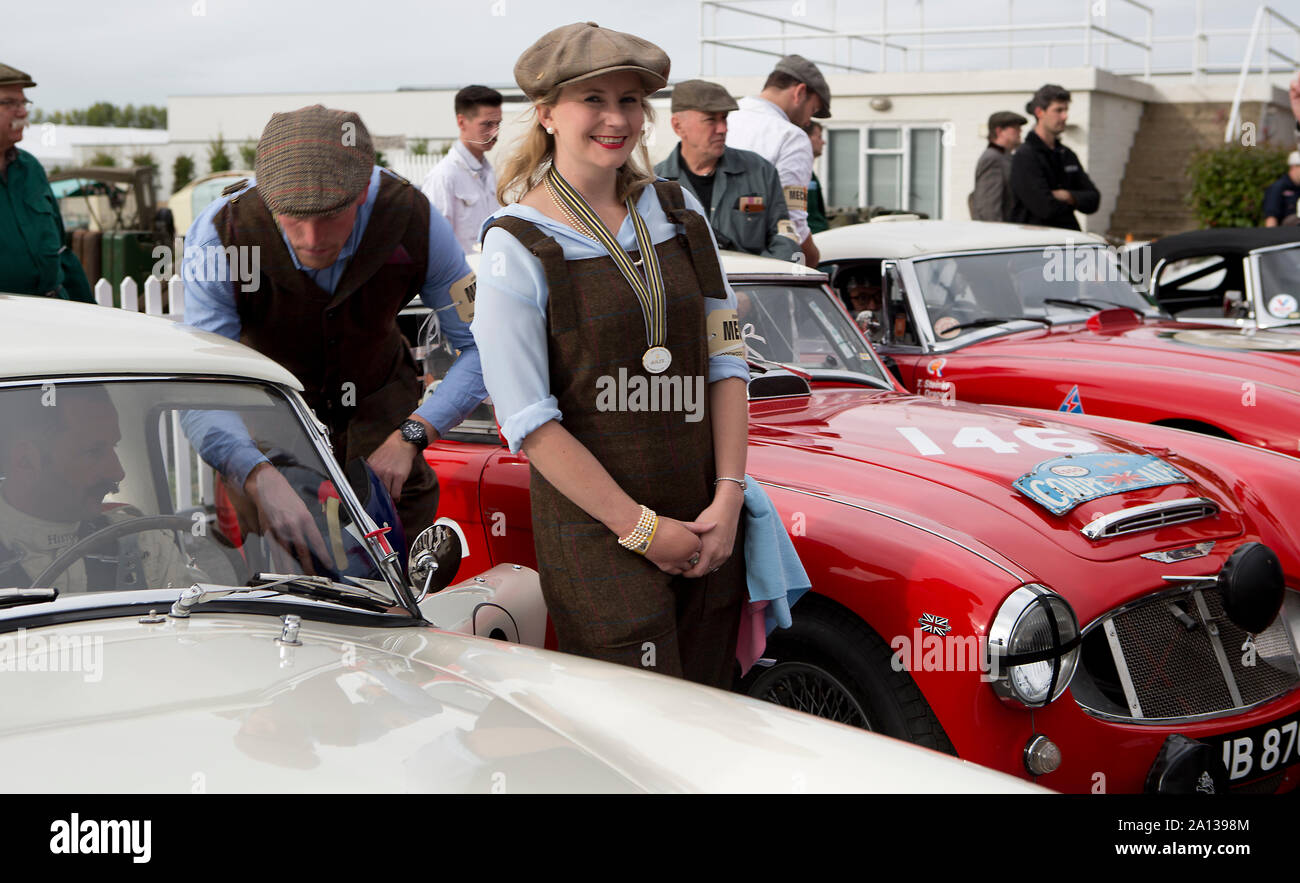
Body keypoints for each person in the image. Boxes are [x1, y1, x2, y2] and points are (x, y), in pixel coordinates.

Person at [472, 22, 750, 688]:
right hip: (601, 537)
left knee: (714, 716)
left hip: (706, 522)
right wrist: (645, 530)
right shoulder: (516, 245)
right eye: (592, 99)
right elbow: (530, 423)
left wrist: (729, 496)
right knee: (635, 739)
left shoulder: (682, 214)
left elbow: (726, 358)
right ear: (545, 113)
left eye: (629, 100)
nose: (616, 117)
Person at [182, 105, 485, 549]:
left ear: (362, 190)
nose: (310, 238)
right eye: (291, 218)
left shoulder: (414, 220)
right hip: (266, 439)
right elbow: (203, 384)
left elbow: (480, 347)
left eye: (328, 216)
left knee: (399, 600)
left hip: (384, 437)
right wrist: (253, 471)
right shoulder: (220, 235)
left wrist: (412, 435)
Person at [0, 385, 194, 592]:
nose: (117, 472)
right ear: (25, 460)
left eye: (113, 447)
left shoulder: (144, 545)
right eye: (94, 452)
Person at [654, 79, 798, 260]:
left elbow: (785, 237)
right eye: (710, 120)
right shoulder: (657, 186)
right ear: (678, 126)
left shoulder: (760, 171)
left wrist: (760, 281)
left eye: (724, 118)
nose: (722, 129)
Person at [725, 54, 831, 266]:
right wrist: (812, 259)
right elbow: (792, 220)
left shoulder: (725, 117)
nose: (808, 120)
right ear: (799, 92)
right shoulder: (791, 137)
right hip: (762, 265)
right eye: (812, 110)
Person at [0, 63, 92, 304]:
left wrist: (93, 313)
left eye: (23, 103)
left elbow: (60, 250)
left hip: (51, 314)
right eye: (9, 103)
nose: (22, 112)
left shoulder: (30, 168)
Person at [421, 85, 503, 254]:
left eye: (498, 124)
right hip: (462, 278)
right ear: (461, 122)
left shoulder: (490, 173)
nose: (495, 132)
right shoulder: (443, 177)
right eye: (487, 124)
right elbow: (434, 245)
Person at [1009, 84, 1099, 230]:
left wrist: (1068, 195)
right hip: (1037, 244)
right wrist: (1076, 200)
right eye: (1058, 110)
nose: (1065, 116)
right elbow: (1045, 208)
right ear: (1040, 112)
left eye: (1066, 110)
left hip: (1066, 241)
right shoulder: (1025, 156)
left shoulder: (1066, 154)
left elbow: (1094, 199)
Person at [969, 111, 1026, 222]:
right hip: (1001, 232)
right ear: (999, 131)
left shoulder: (1004, 156)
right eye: (1015, 128)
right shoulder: (993, 159)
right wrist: (998, 235)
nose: (1020, 131)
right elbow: (988, 206)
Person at [1262, 152, 1300, 227]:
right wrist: (1273, 237)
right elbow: (1271, 219)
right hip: (1286, 235)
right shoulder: (1278, 188)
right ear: (1293, 167)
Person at [805, 121, 829, 234]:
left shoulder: (810, 173)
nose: (823, 142)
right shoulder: (796, 172)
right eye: (819, 137)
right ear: (805, 138)